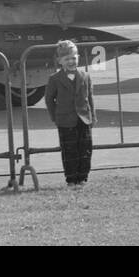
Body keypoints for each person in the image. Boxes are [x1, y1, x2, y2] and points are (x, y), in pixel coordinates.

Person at [44, 40, 96, 187]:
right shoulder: (54, 79)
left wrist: (93, 117)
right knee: (69, 151)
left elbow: (90, 97)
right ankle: (71, 179)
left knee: (85, 150)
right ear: (60, 61)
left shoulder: (85, 76)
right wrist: (55, 117)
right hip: (65, 121)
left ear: (78, 58)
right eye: (67, 59)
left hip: (84, 119)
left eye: (74, 58)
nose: (71, 61)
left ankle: (83, 178)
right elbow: (49, 99)